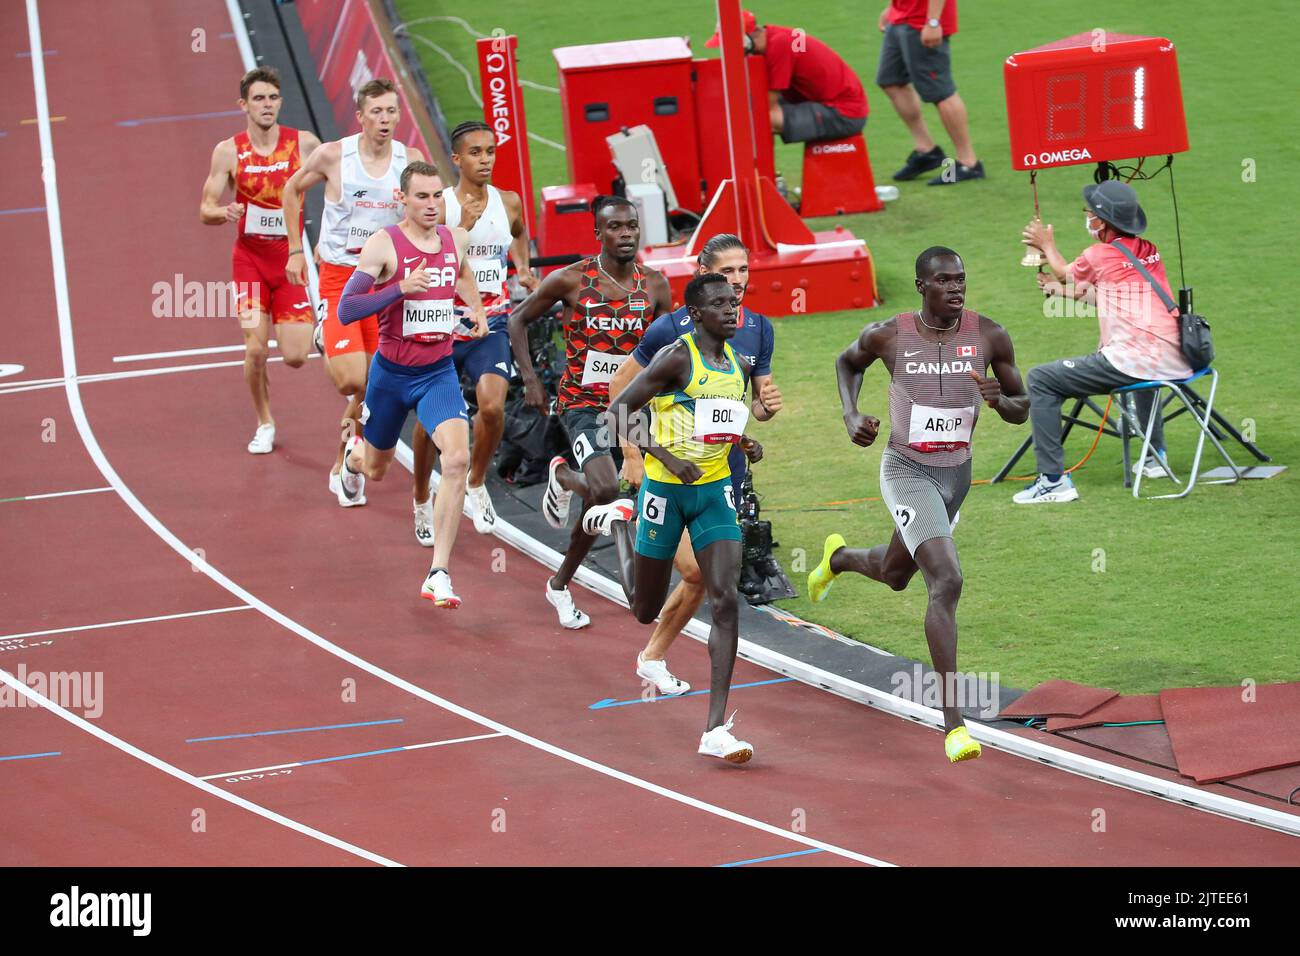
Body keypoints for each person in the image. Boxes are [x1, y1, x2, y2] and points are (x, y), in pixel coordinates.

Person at [808, 247, 1028, 763]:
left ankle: (837, 558)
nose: (956, 289)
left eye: (962, 280)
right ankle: (954, 725)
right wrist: (849, 414)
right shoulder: (889, 334)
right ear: (921, 286)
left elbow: (1023, 410)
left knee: (895, 574)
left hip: (957, 475)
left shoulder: (989, 336)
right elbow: (847, 362)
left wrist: (1001, 401)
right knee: (946, 580)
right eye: (945, 281)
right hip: (906, 470)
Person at [593, 273, 763, 762]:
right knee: (645, 609)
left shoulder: (736, 364)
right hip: (665, 492)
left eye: (735, 303)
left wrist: (745, 443)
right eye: (720, 304)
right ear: (696, 314)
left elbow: (720, 423)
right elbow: (618, 412)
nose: (732, 310)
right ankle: (622, 519)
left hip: (712, 491)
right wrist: (664, 459)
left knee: (724, 597)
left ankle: (715, 730)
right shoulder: (677, 357)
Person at [608, 234, 782, 696]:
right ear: (704, 274)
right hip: (670, 476)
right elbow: (621, 389)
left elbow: (747, 403)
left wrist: (763, 411)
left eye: (744, 270)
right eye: (727, 273)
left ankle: (653, 658)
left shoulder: (759, 329)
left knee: (708, 580)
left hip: (722, 473)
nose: (739, 281)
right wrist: (634, 454)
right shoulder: (671, 332)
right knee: (682, 581)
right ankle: (629, 517)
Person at [507, 196, 673, 630]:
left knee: (609, 499)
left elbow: (673, 348)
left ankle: (559, 583)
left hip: (634, 407)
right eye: (615, 227)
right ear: (598, 234)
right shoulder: (571, 280)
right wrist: (530, 379)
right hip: (582, 405)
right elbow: (518, 319)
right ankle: (632, 587)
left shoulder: (655, 285)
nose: (626, 234)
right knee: (606, 491)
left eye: (632, 226)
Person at [334, 162, 487, 606]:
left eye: (438, 195)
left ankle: (438, 572)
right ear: (402, 199)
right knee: (377, 470)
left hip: (437, 373)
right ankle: (353, 457)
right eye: (422, 197)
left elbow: (462, 274)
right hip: (391, 376)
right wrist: (400, 286)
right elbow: (347, 309)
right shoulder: (384, 245)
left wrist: (475, 310)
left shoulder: (455, 238)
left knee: (457, 460)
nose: (432, 204)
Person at [281, 78, 425, 507]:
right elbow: (291, 190)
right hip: (342, 277)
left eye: (391, 111)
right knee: (353, 379)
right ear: (360, 116)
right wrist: (295, 250)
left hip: (388, 280)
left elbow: (430, 208)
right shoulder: (333, 156)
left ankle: (345, 459)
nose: (385, 120)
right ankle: (329, 330)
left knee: (374, 385)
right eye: (376, 112)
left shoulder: (410, 160)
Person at [1016, 180, 1191, 503]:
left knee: (1041, 379)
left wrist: (1047, 244)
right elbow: (1120, 298)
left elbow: (1064, 272)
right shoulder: (1148, 251)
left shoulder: (1098, 254)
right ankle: (1155, 456)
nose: (1087, 219)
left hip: (1136, 360)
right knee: (1144, 368)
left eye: (1089, 214)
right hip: (1177, 357)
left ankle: (1053, 482)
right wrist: (1063, 295)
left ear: (1103, 221)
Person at [408, 120, 539, 547]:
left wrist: (522, 267)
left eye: (490, 151)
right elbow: (418, 258)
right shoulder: (439, 206)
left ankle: (477, 482)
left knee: (493, 407)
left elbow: (518, 235)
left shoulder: (509, 202)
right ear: (456, 159)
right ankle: (420, 499)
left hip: (492, 324)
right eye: (476, 153)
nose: (485, 160)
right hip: (440, 327)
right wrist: (457, 231)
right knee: (432, 424)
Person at [200, 67, 322, 453]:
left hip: (291, 263)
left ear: (280, 102)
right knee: (255, 349)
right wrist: (224, 212)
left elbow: (338, 184)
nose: (267, 105)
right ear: (244, 105)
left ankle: (321, 326)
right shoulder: (228, 151)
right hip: (249, 261)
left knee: (297, 357)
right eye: (258, 99)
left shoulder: (303, 144)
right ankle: (264, 422)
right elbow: (205, 207)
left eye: (272, 98)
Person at [706, 10, 868, 145]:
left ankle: (764, 176)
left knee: (757, 118)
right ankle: (764, 175)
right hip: (828, 103)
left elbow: (767, 105)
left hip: (844, 113)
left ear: (746, 40)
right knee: (749, 111)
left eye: (729, 45)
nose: (727, 51)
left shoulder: (779, 45)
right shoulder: (772, 39)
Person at [876, 1, 983, 185]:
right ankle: (927, 152)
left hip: (923, 21)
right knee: (891, 81)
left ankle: (969, 163)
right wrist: (893, 7)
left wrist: (933, 21)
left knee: (940, 92)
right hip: (901, 16)